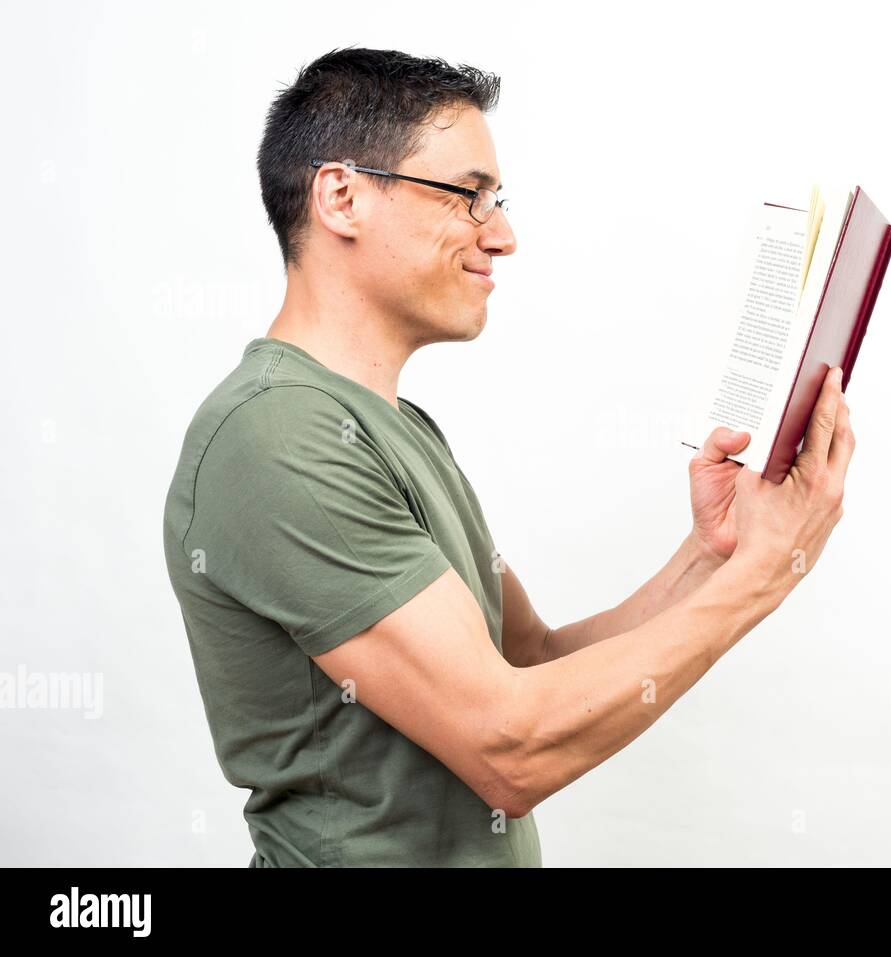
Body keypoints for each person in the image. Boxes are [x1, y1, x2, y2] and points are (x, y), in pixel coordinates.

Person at [162, 47, 854, 867]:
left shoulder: (395, 427)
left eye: (498, 199)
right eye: (468, 196)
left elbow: (532, 662)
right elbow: (507, 746)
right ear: (341, 196)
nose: (503, 234)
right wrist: (761, 578)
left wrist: (714, 555)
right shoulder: (276, 436)